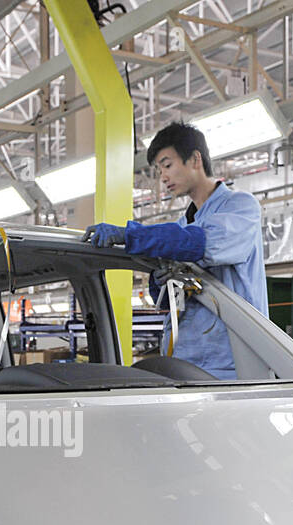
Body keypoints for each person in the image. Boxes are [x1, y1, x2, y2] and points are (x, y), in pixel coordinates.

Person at [82, 121, 267, 380]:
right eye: (159, 170)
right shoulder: (182, 226)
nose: (163, 177)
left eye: (167, 165)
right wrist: (160, 284)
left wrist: (130, 234)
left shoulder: (240, 207)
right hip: (185, 359)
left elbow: (201, 242)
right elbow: (168, 301)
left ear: (195, 159)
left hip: (232, 363)